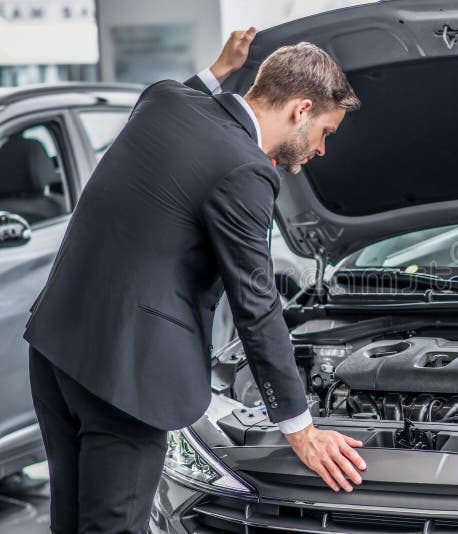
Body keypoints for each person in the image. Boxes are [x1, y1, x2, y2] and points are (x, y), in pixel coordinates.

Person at [24, 28, 367, 533]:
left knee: (71, 523)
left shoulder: (164, 101)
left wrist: (218, 70)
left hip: (59, 348)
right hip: (126, 374)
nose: (321, 150)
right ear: (300, 109)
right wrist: (301, 427)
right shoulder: (247, 171)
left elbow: (182, 99)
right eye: (326, 132)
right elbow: (256, 301)